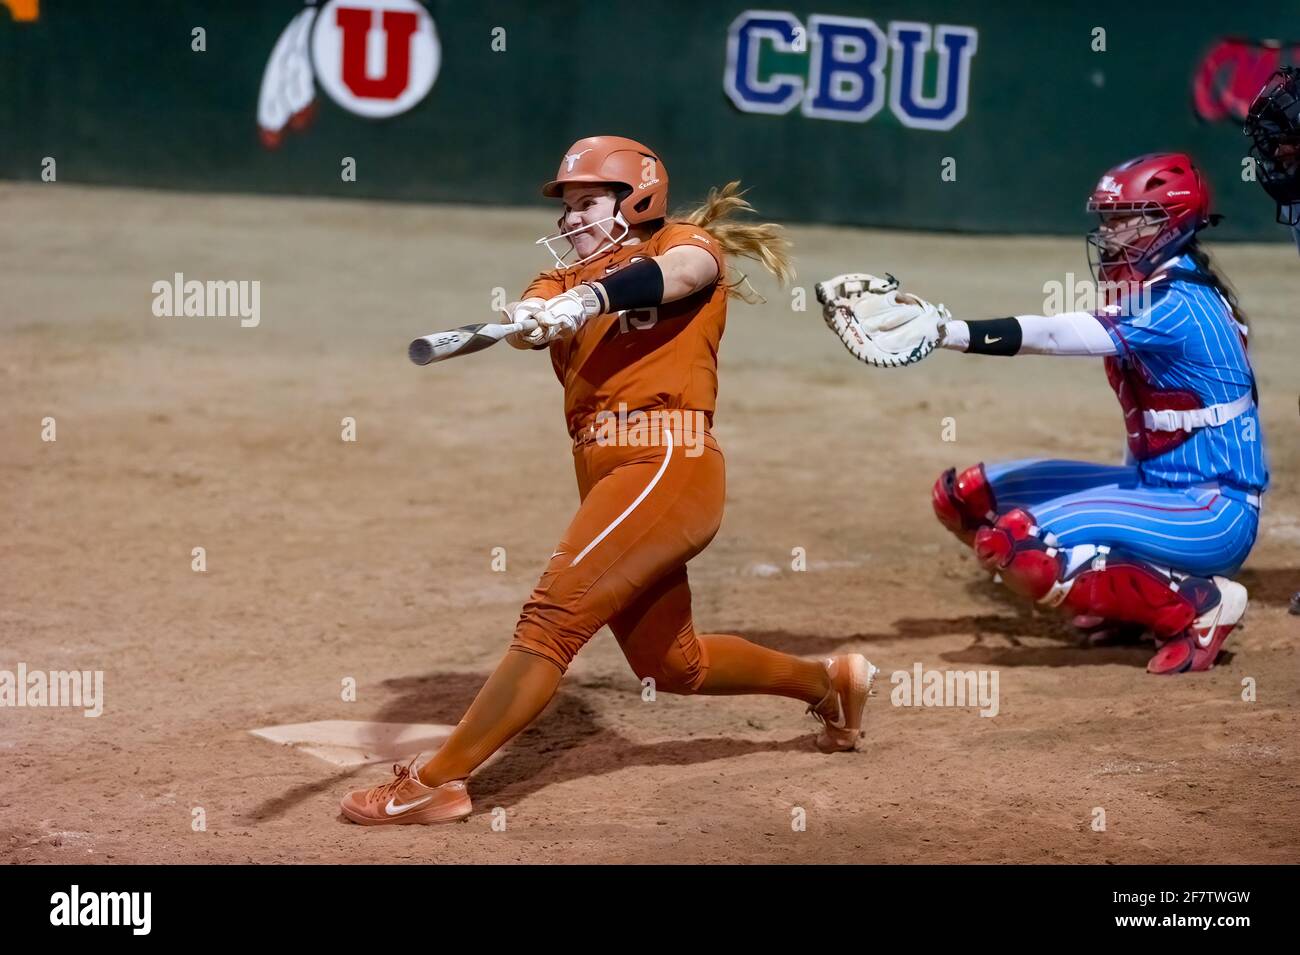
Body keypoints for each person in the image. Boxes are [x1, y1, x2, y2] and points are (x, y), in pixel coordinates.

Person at [340, 136, 878, 826]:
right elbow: (532, 322)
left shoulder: (684, 243)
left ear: (638, 199)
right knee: (671, 665)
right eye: (566, 207)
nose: (570, 219)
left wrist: (594, 297)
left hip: (666, 461)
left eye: (587, 201)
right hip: (605, 472)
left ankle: (437, 781)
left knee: (551, 622)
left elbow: (680, 274)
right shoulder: (557, 280)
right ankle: (829, 682)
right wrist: (533, 319)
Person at [839, 153, 1268, 675]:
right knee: (965, 498)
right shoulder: (1153, 287)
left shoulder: (1179, 302)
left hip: (1212, 512)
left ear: (1169, 221)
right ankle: (1124, 595)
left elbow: (1055, 335)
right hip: (1155, 491)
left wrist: (947, 331)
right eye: (1106, 220)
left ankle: (1199, 606)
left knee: (1017, 544)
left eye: (1125, 218)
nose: (1109, 234)